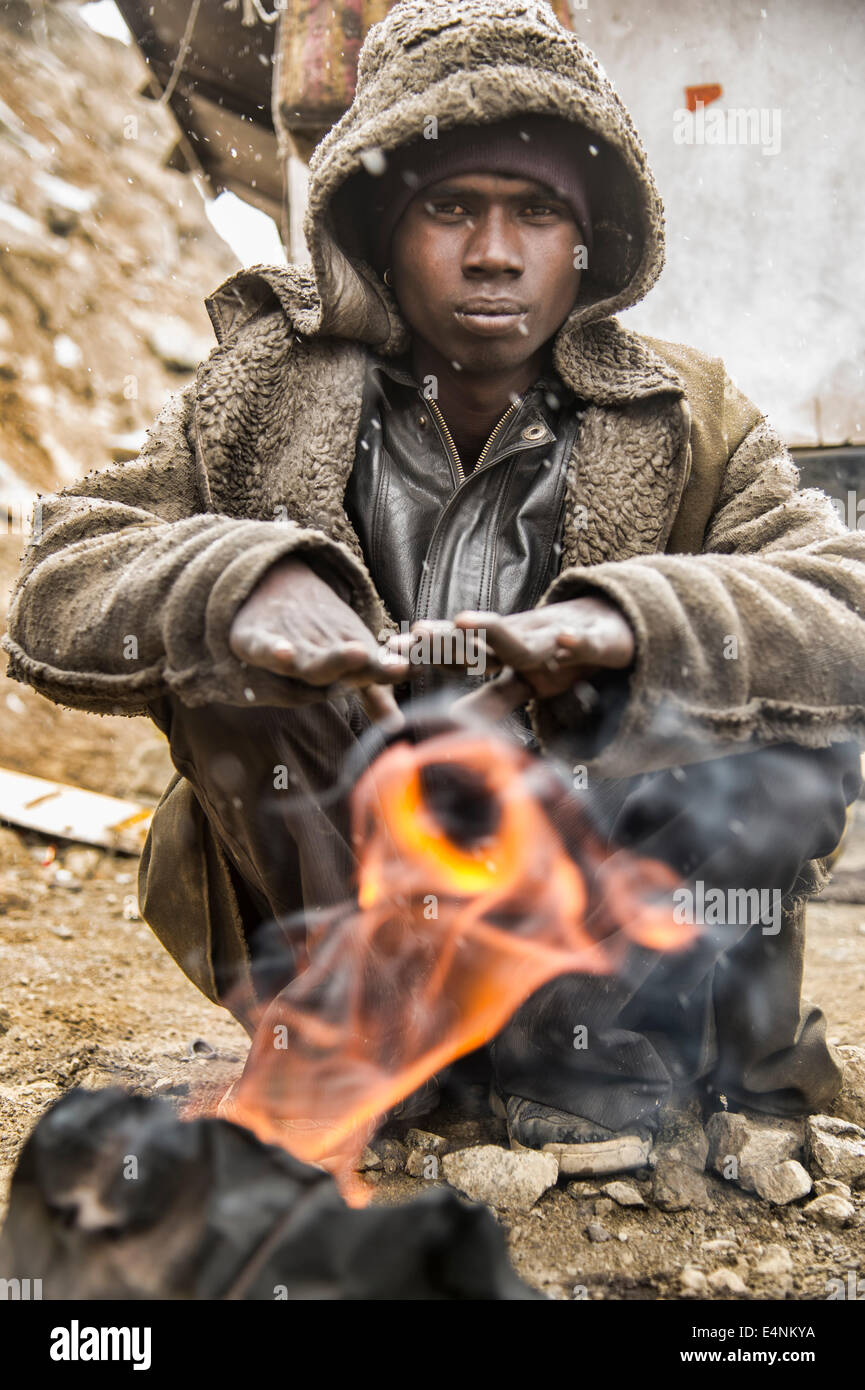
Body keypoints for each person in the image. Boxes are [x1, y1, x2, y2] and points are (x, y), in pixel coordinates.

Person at [5, 0, 865, 1174]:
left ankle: (589, 1068)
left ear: (592, 236)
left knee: (774, 714)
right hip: (346, 905)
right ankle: (343, 1047)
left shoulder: (689, 415)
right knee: (229, 657)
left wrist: (628, 625)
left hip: (591, 948)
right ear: (377, 223)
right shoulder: (263, 393)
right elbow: (62, 571)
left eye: (538, 211)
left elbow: (845, 608)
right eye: (450, 207)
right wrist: (245, 583)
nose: (496, 251)